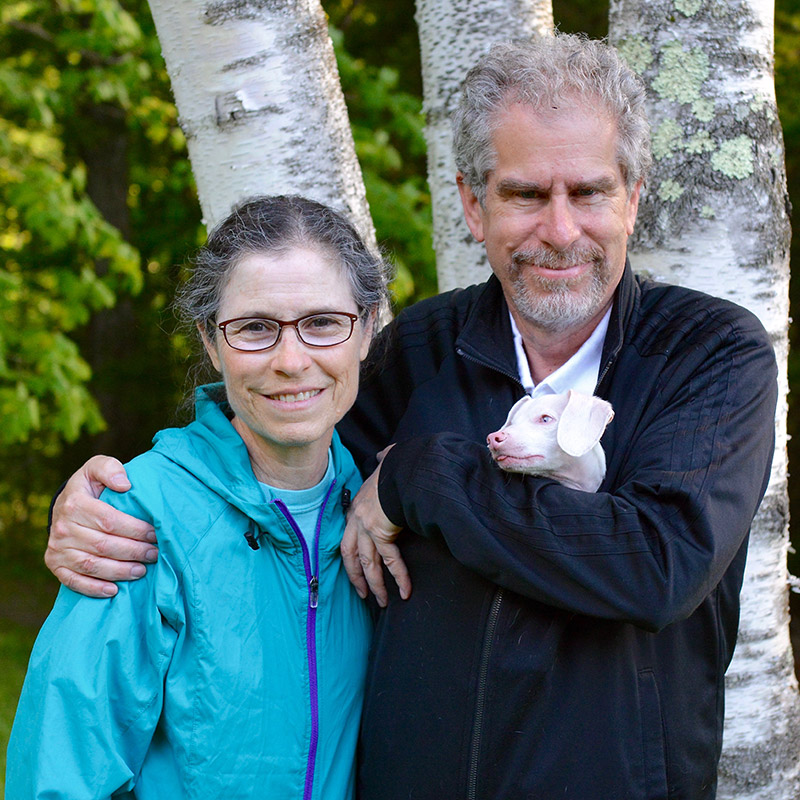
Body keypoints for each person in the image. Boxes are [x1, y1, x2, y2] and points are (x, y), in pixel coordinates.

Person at [44, 35, 777, 799]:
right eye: (526, 195)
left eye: (588, 193)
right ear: (472, 202)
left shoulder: (711, 353)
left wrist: (419, 476)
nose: (560, 231)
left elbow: (657, 567)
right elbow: (275, 476)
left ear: (632, 196)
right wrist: (125, 502)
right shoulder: (421, 350)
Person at [7, 195, 391, 799]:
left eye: (322, 323)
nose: (292, 361)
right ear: (211, 343)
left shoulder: (383, 517)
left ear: (367, 330)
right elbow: (60, 774)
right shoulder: (137, 518)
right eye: (255, 329)